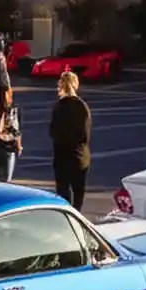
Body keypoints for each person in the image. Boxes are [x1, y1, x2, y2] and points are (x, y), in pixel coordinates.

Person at [49, 71, 92, 210]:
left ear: (62, 86)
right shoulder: (82, 107)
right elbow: (85, 135)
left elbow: (53, 131)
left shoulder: (59, 107)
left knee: (63, 196)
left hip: (62, 157)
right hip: (79, 157)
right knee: (78, 196)